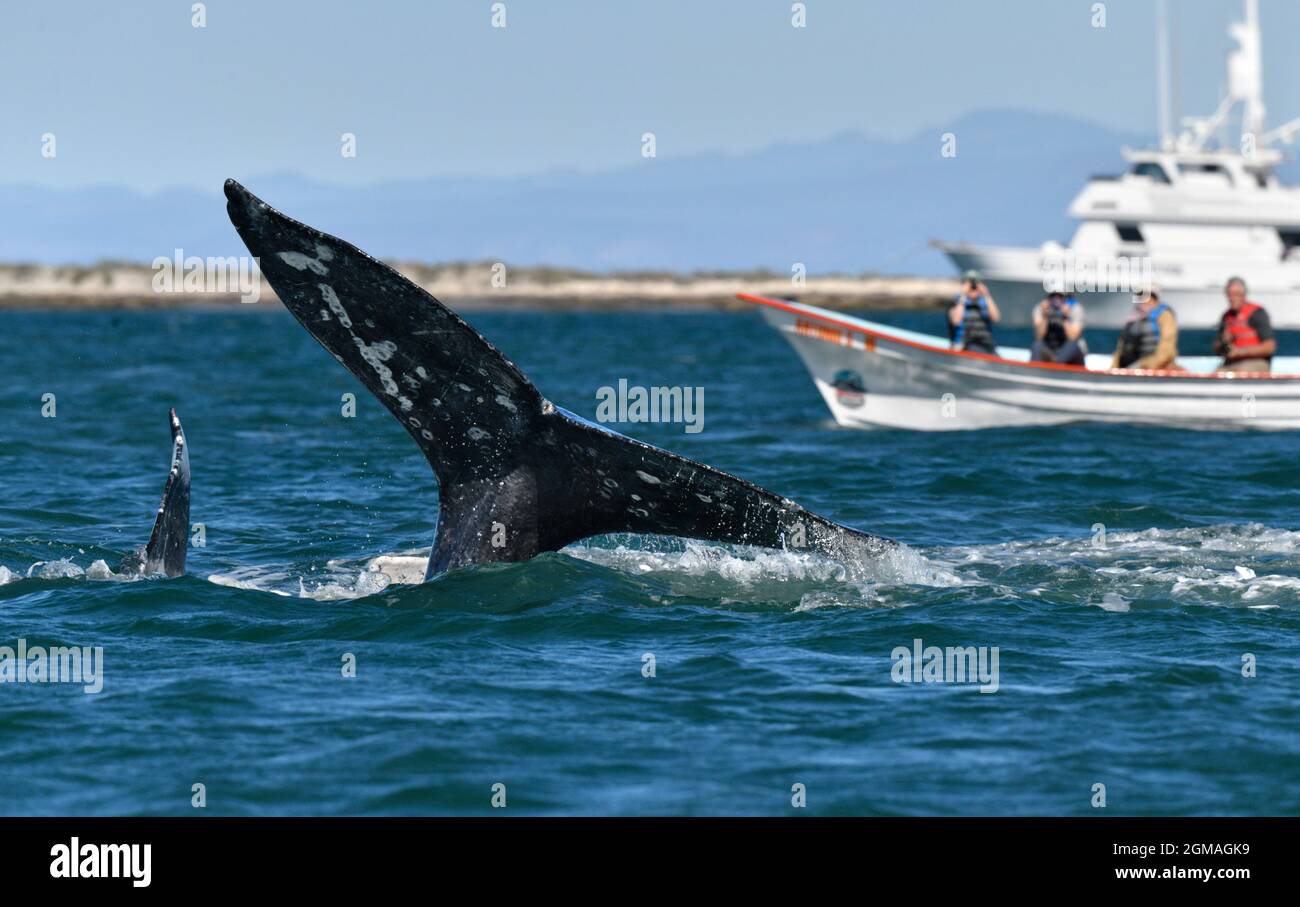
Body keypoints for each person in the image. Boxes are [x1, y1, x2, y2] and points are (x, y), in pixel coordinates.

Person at [1213, 276, 1275, 373]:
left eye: (1237, 294)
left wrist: (1239, 352)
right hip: (1231, 362)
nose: (1233, 298)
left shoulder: (1257, 313)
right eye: (1230, 295)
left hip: (1255, 362)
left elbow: (1270, 347)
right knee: (1216, 375)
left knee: (1240, 372)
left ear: (1244, 295)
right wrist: (1223, 343)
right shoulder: (1226, 317)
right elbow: (1216, 348)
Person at [1112, 286, 1178, 370]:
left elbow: (1167, 350)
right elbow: (1121, 349)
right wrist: (1114, 368)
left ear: (1155, 298)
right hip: (1130, 369)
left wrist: (1145, 365)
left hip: (1156, 368)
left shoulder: (1164, 316)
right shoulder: (1133, 318)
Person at [948, 270, 1000, 355]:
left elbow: (996, 318)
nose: (973, 288)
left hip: (986, 345)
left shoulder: (985, 302)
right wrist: (963, 295)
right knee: (975, 349)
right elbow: (956, 321)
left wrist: (986, 295)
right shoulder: (957, 302)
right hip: (965, 345)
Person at [1031, 291, 1088, 365]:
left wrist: (1065, 317)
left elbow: (1073, 337)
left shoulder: (1076, 309)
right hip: (1049, 349)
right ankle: (1034, 371)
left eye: (1060, 297)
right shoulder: (1041, 309)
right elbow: (1039, 336)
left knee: (1072, 345)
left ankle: (1055, 365)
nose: (1056, 301)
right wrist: (1045, 316)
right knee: (1037, 345)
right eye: (1053, 297)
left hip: (1071, 352)